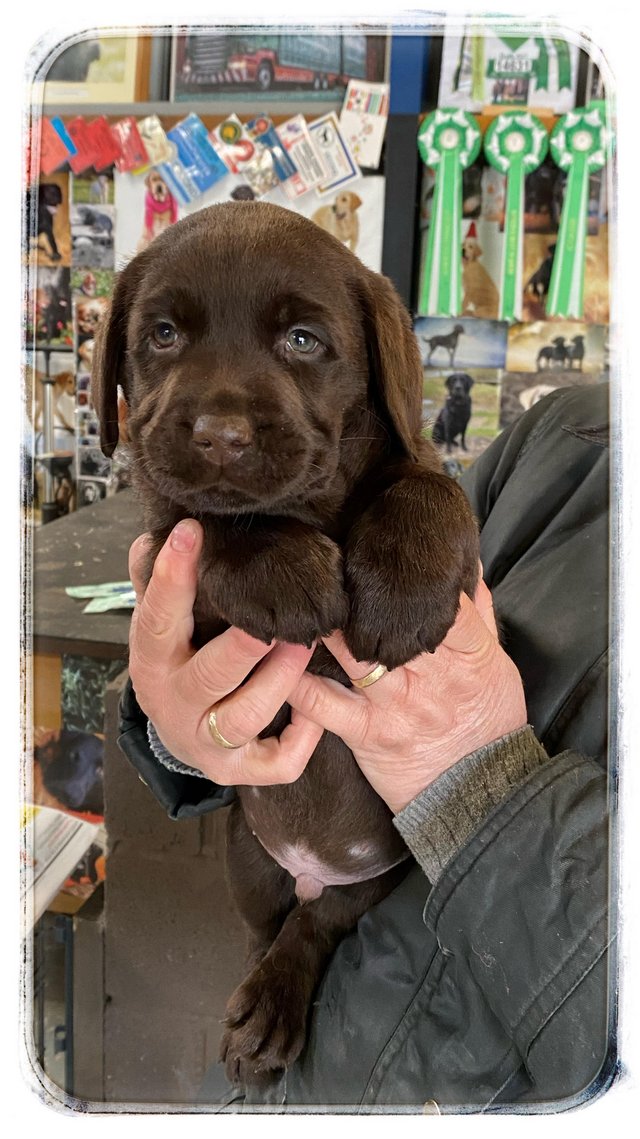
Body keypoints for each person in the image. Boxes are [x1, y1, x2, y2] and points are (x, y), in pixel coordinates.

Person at [118, 382, 614, 1111]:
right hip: (285, 1072)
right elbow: (369, 594)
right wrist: (191, 719)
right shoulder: (572, 433)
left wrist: (480, 791)